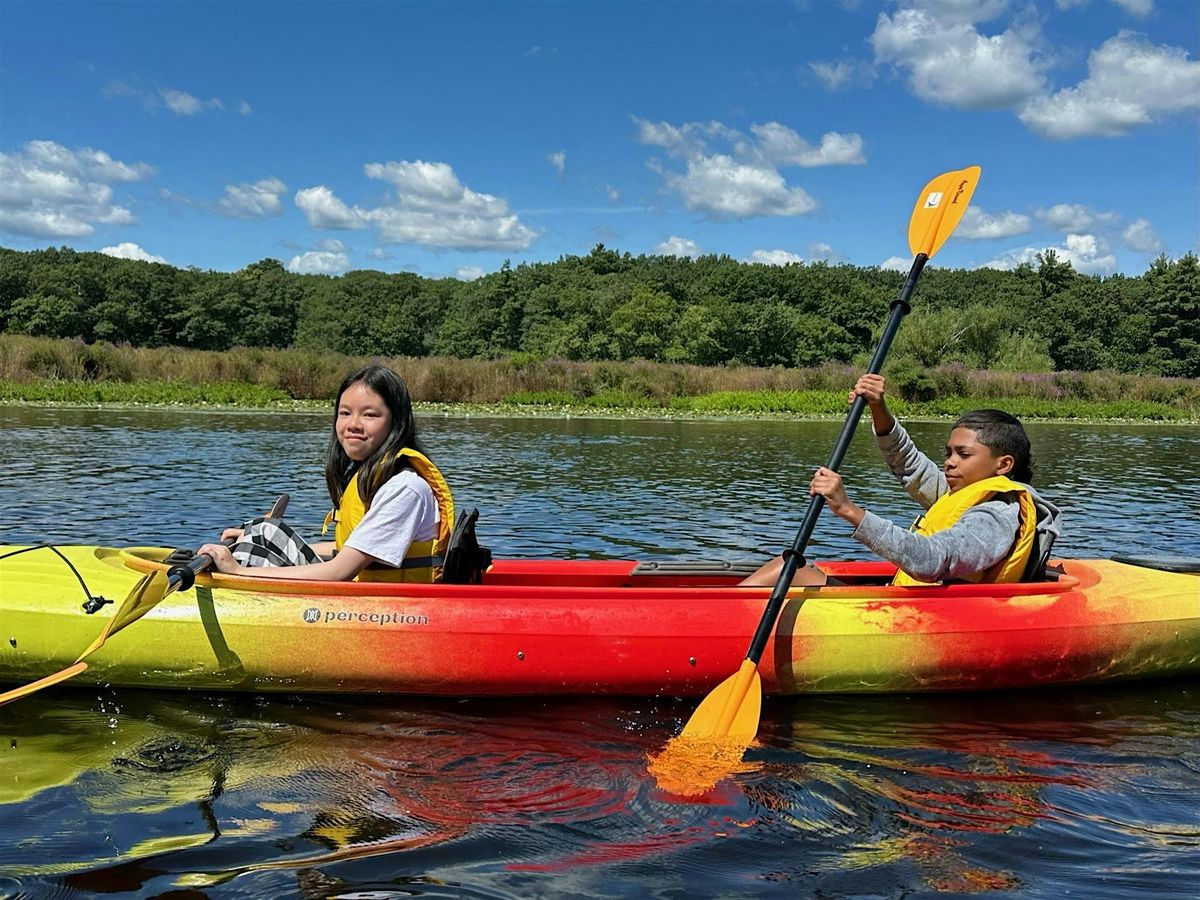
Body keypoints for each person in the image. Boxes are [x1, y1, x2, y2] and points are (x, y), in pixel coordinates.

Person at [741, 374, 1061, 587]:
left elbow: (932, 559)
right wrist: (878, 407)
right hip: (908, 607)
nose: (950, 461)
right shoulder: (958, 493)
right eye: (948, 452)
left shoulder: (996, 515)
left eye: (963, 454)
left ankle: (716, 627)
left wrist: (849, 510)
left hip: (928, 621)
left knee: (786, 571)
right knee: (789, 567)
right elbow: (906, 462)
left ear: (1003, 465)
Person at [199, 365, 454, 582]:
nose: (353, 425)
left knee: (257, 549)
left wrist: (237, 571)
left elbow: (340, 570)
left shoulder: (404, 488)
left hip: (387, 608)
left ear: (395, 422)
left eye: (369, 415)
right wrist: (261, 539)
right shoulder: (373, 476)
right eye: (345, 413)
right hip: (357, 593)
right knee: (266, 532)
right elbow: (350, 549)